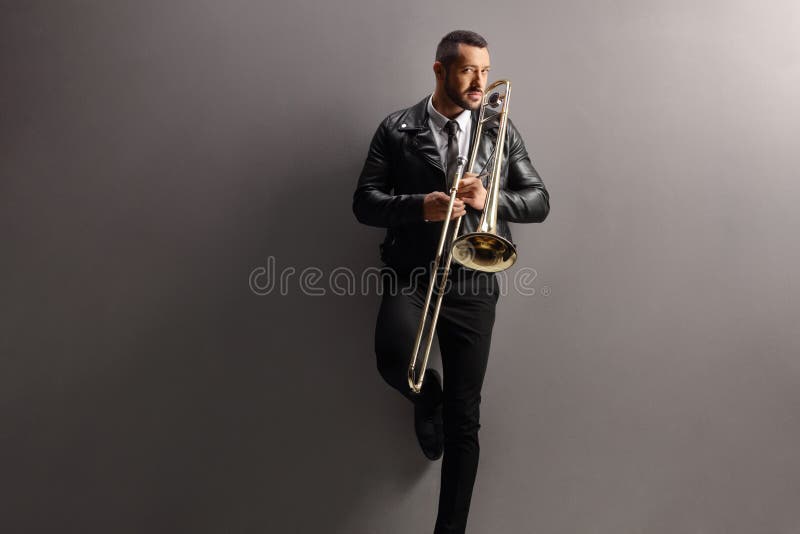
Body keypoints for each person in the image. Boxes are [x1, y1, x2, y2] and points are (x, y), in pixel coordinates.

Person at [352, 30, 550, 534]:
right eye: (468, 71)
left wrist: (491, 201)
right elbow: (364, 202)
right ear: (439, 71)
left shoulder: (499, 127)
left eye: (485, 70)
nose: (480, 82)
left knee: (466, 418)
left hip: (475, 275)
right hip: (414, 272)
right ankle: (426, 397)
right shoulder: (397, 128)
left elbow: (539, 201)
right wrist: (419, 206)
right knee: (395, 359)